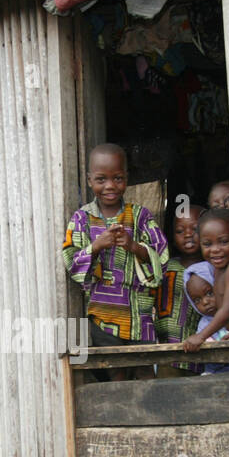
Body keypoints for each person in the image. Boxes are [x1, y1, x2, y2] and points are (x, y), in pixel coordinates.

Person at [62, 143, 169, 380]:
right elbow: (71, 261)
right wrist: (96, 246)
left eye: (118, 178)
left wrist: (134, 247)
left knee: (145, 374)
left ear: (127, 179)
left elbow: (161, 258)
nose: (110, 186)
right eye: (101, 179)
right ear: (89, 180)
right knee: (115, 374)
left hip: (140, 315)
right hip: (103, 317)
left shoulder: (140, 215)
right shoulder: (82, 219)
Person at [156, 201, 205, 376]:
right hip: (166, 352)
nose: (187, 235)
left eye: (195, 229)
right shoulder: (165, 268)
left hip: (200, 351)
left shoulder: (211, 270)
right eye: (180, 231)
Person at [183, 208, 229, 351]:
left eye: (223, 241)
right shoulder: (214, 269)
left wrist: (201, 336)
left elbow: (228, 309)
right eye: (207, 244)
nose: (215, 249)